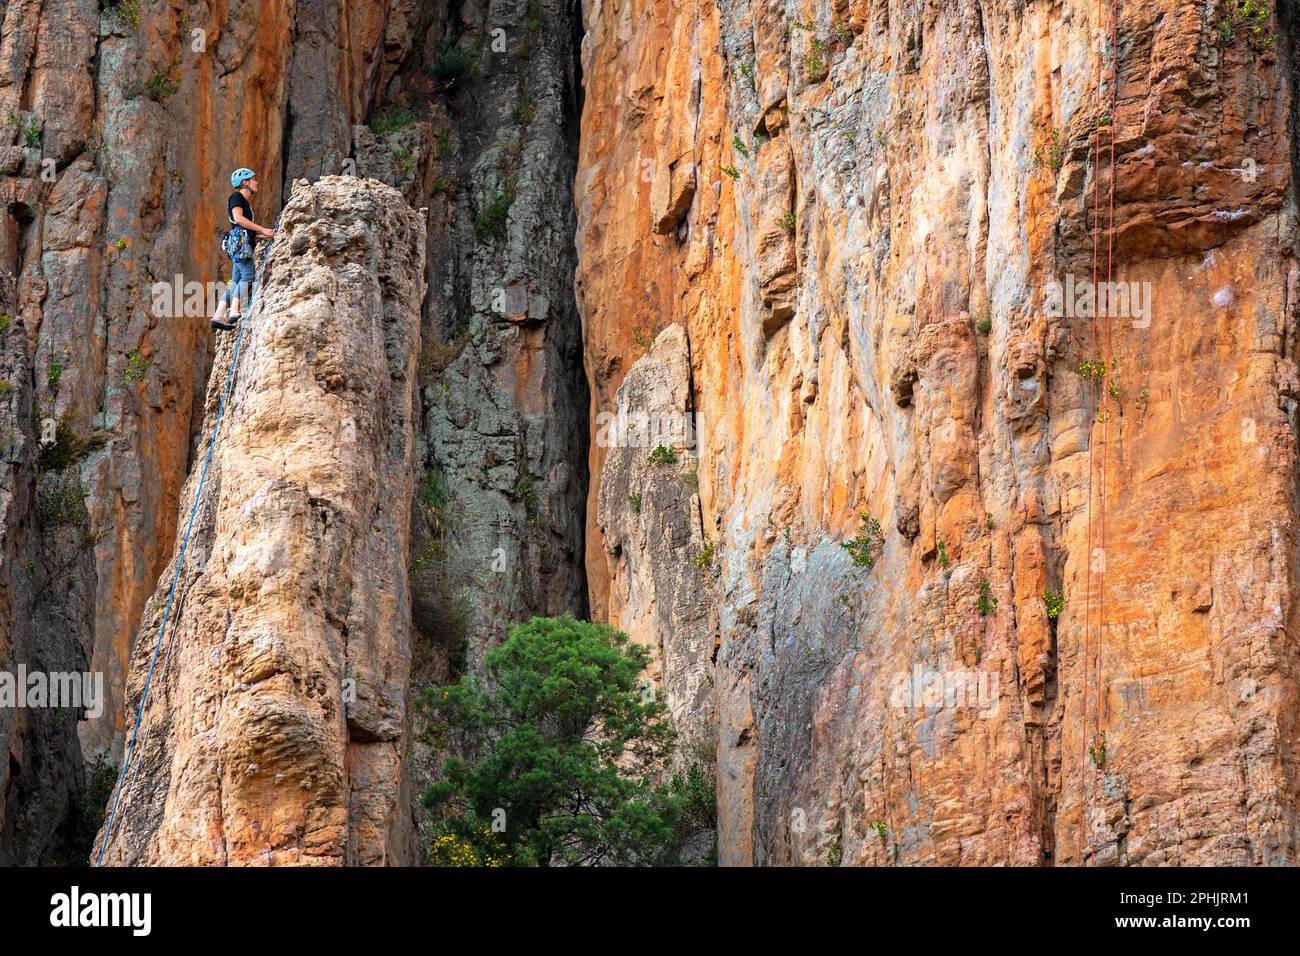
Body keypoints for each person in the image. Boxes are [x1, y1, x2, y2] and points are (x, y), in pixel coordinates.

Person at [210, 168, 276, 331]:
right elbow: (238, 220)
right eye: (253, 179)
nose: (257, 182)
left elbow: (249, 232)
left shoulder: (245, 203)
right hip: (240, 243)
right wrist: (262, 229)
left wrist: (265, 235)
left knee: (236, 280)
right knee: (248, 275)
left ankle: (218, 316)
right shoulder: (236, 197)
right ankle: (234, 310)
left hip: (240, 243)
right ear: (245, 182)